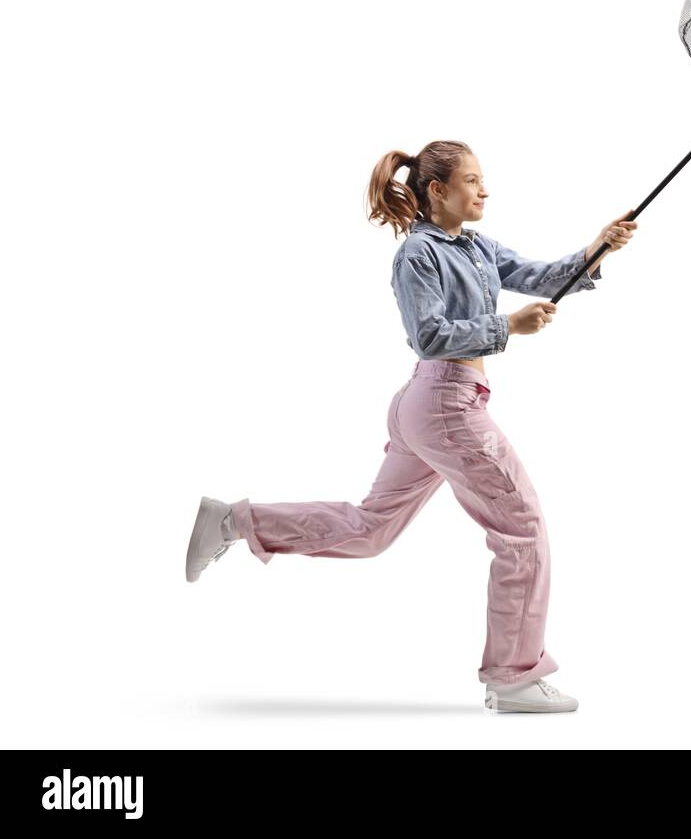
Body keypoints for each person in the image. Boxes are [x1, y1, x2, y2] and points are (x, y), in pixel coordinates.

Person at [185, 139, 638, 713]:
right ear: (437, 191)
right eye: (472, 181)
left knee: (371, 530)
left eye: (482, 180)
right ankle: (514, 679)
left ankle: (230, 521)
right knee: (522, 529)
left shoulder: (475, 246)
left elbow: (544, 276)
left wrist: (598, 248)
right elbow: (429, 334)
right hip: (446, 406)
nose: (484, 190)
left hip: (429, 407)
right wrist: (508, 327)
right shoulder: (417, 255)